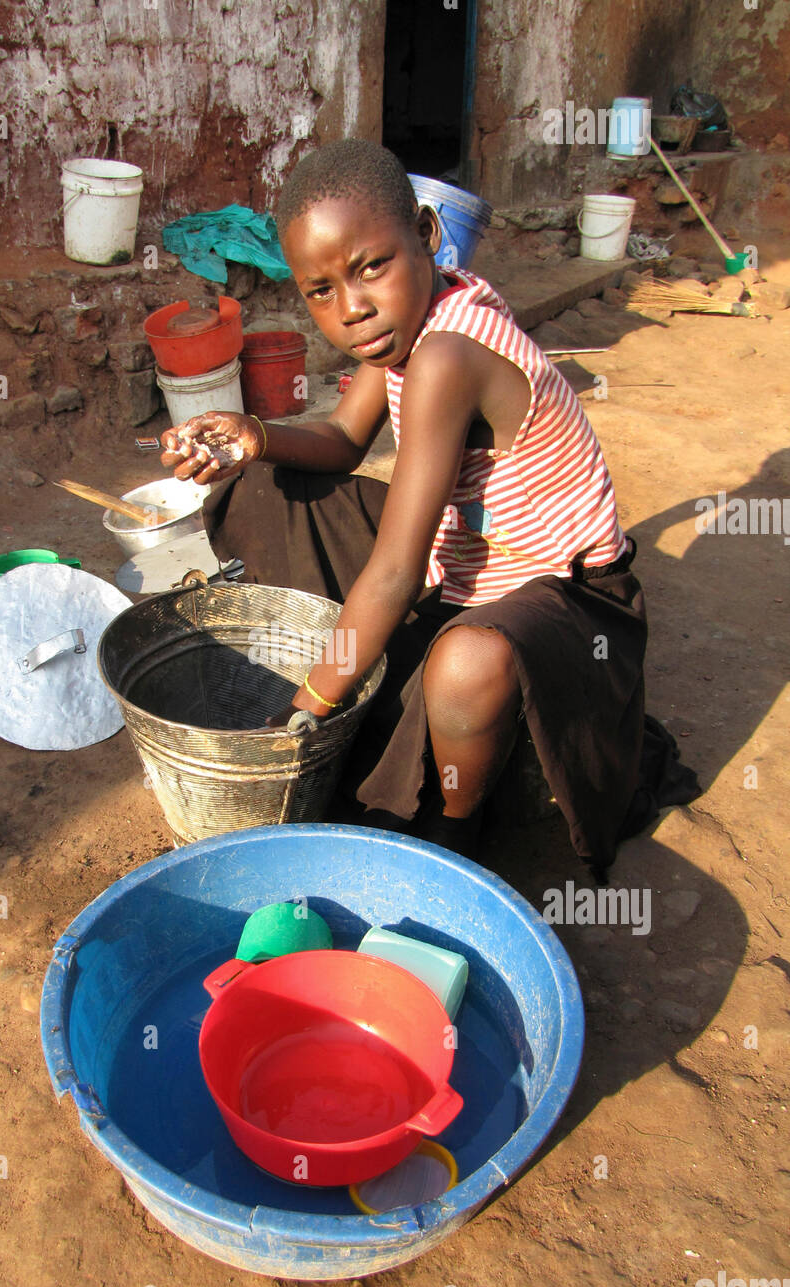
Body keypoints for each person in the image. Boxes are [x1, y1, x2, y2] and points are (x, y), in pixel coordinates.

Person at [160, 139, 698, 873]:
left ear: (424, 234)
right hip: (467, 566)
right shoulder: (399, 330)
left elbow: (392, 571)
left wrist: (305, 711)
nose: (350, 308)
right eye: (320, 290)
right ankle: (359, 671)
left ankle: (454, 821)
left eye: (369, 267)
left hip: (563, 598)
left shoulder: (447, 353)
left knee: (463, 663)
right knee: (262, 482)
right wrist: (253, 434)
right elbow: (344, 440)